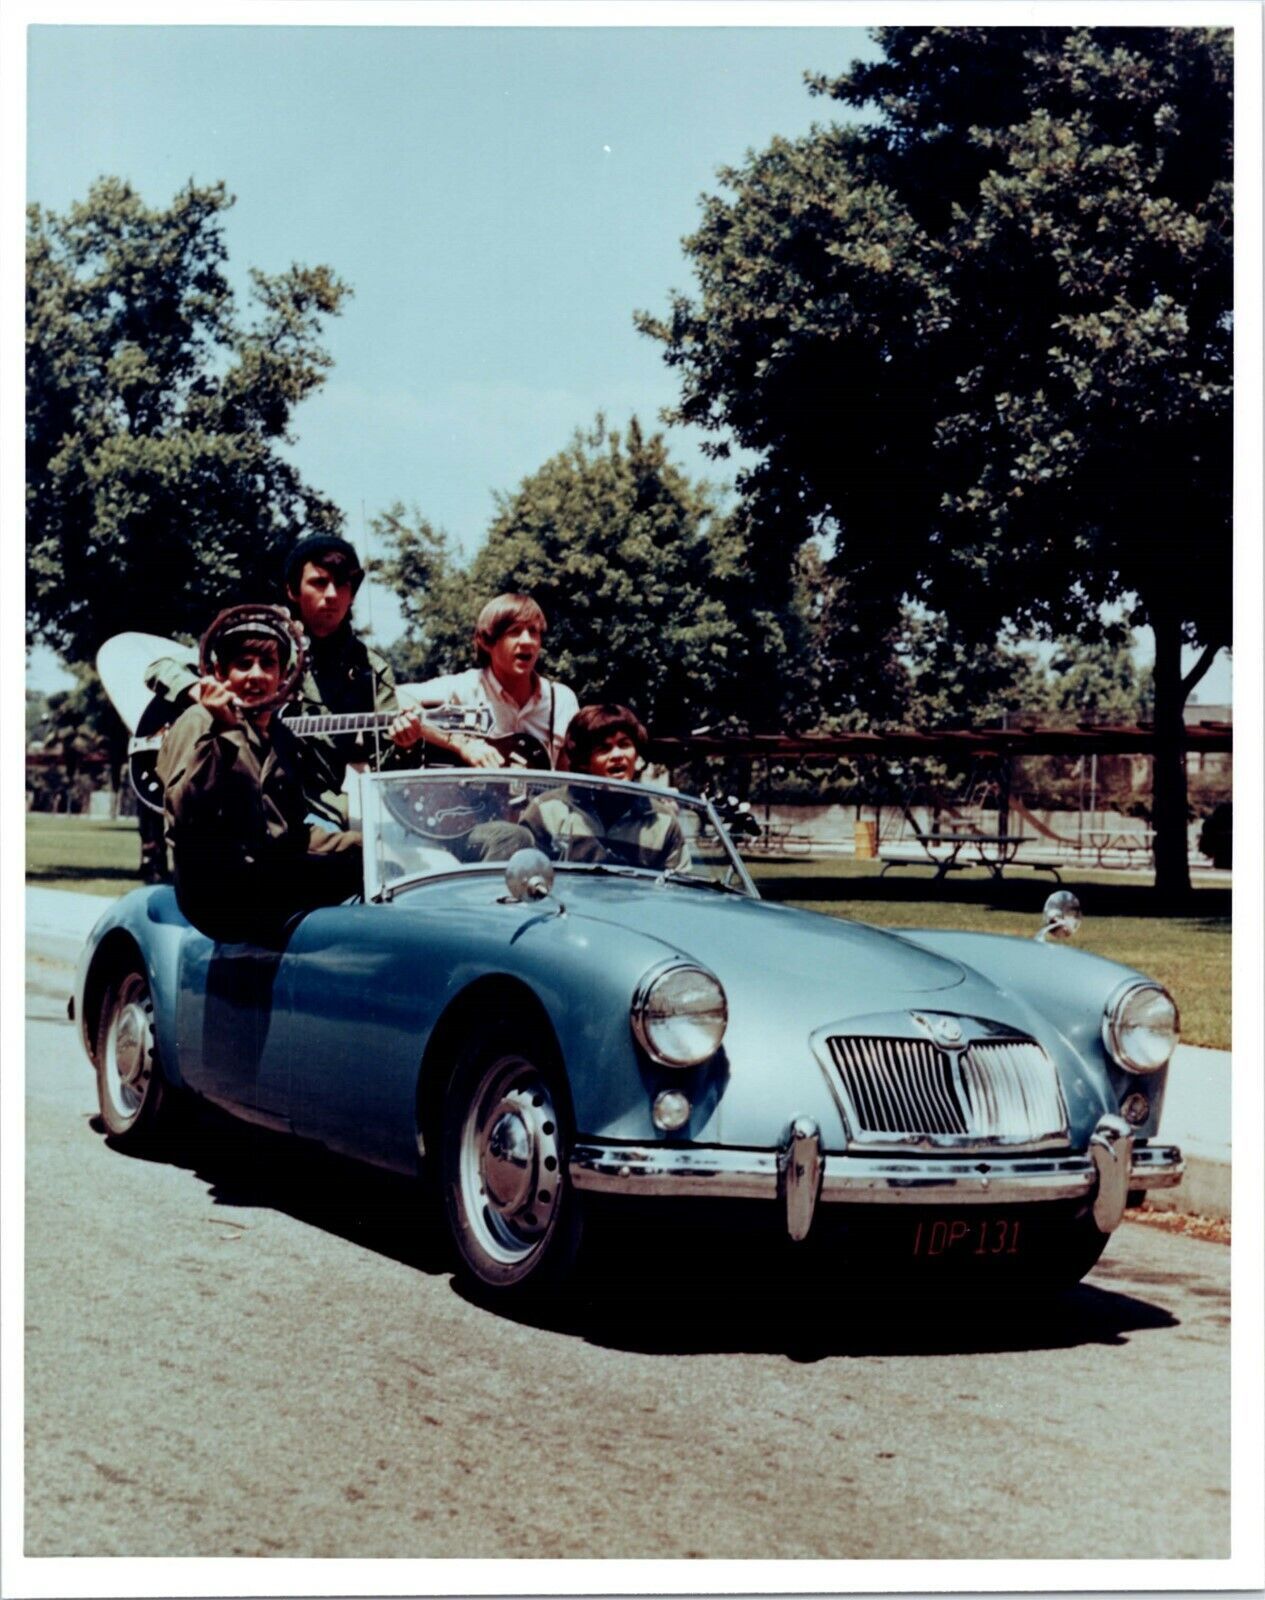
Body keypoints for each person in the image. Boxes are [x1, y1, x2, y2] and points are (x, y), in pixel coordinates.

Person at [144, 535, 426, 832]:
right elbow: (160, 669)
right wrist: (205, 696)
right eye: (319, 582)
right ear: (292, 590)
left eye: (342, 584)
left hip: (315, 810)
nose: (331, 594)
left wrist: (406, 745)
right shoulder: (263, 640)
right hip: (240, 792)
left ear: (352, 594)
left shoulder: (370, 671)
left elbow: (391, 777)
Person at [157, 608, 362, 944]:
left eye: (268, 665)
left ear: (283, 676)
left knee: (373, 865)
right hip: (217, 889)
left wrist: (365, 849)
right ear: (220, 672)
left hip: (270, 873)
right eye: (243, 664)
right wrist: (225, 731)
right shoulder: (199, 721)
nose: (256, 675)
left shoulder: (281, 736)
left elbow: (290, 830)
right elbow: (187, 815)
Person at [407, 593, 579, 771]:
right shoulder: (467, 687)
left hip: (543, 799)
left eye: (533, 631)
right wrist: (462, 745)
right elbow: (397, 697)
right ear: (486, 642)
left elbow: (570, 780)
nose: (527, 641)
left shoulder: (561, 700)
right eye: (514, 631)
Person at [521, 704, 688, 872]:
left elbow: (679, 891)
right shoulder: (546, 812)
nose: (617, 755)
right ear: (584, 762)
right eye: (604, 748)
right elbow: (525, 881)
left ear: (636, 753)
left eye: (624, 745)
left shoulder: (662, 821)